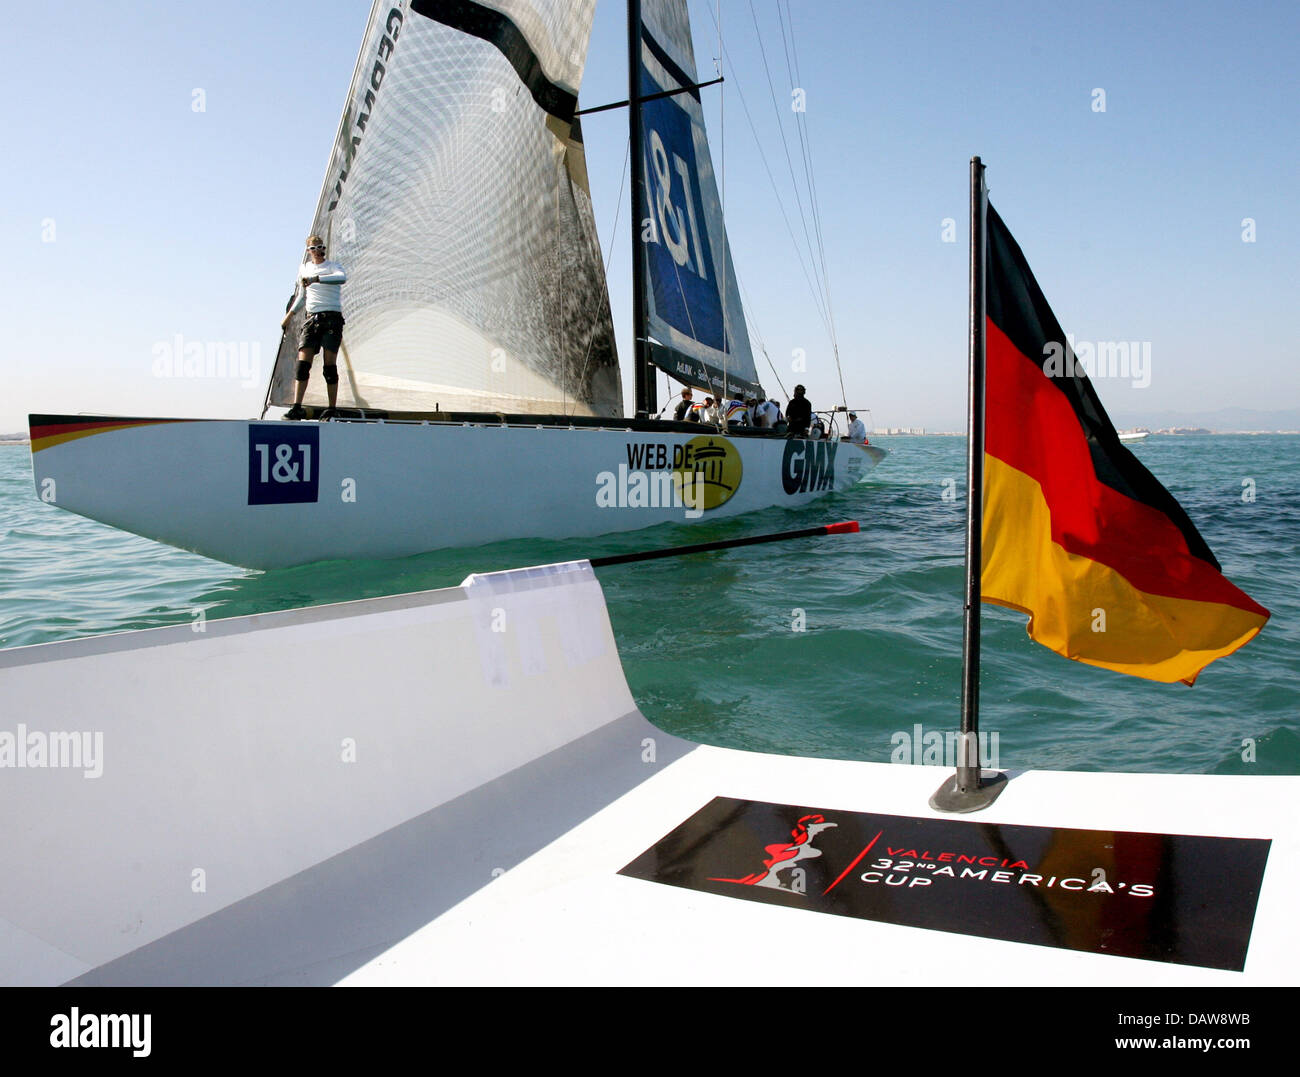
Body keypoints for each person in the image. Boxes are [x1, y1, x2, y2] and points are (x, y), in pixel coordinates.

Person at [282, 235, 347, 420]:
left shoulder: (333, 267)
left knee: (329, 366)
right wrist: (288, 317)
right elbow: (303, 295)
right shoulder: (304, 269)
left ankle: (332, 407)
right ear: (308, 251)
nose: (318, 251)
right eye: (314, 248)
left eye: (321, 247)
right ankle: (296, 407)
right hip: (311, 319)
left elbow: (341, 278)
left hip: (331, 319)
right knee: (302, 365)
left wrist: (316, 279)